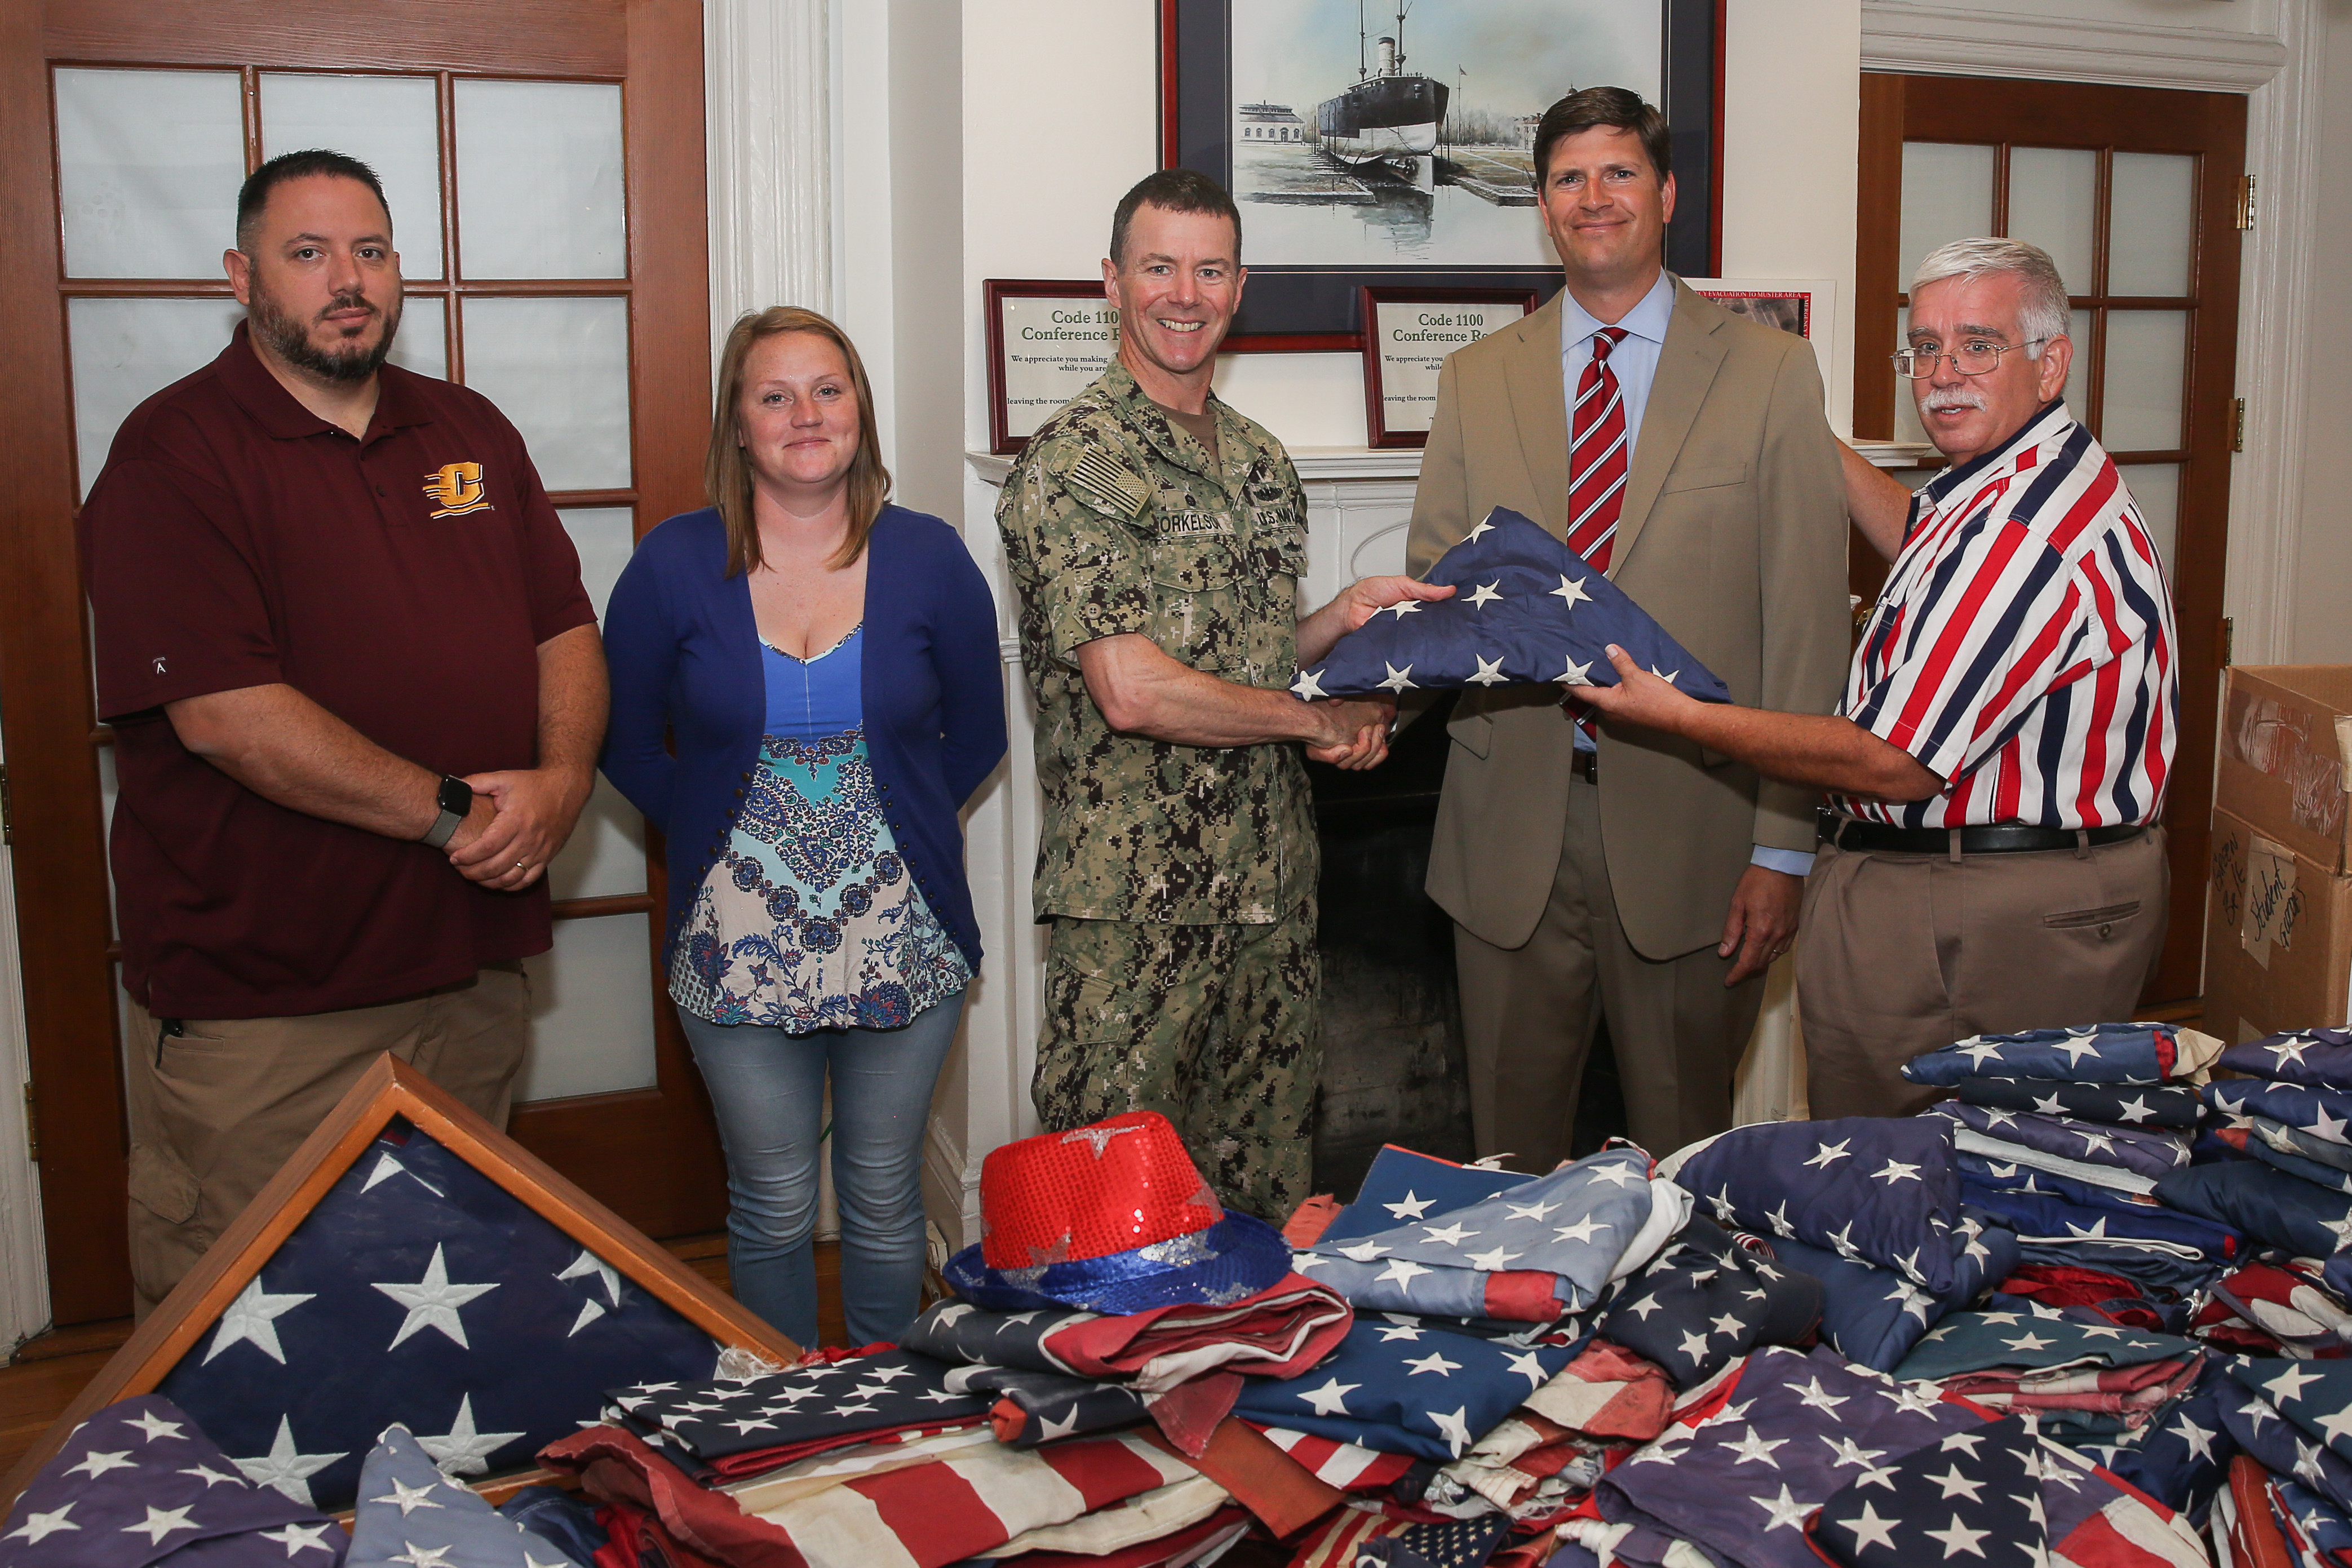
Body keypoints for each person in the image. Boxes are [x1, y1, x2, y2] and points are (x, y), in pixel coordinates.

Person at [77, 149, 606, 1314]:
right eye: (307, 253)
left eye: (369, 251)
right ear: (241, 275)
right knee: (247, 1340)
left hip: (465, 977)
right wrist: (459, 815)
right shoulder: (173, 455)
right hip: (269, 1010)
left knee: (457, 1315)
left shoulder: (467, 430)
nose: (346, 280)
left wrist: (564, 781)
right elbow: (227, 717)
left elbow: (561, 625)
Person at [1579, 236, 2178, 1118]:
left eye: (1978, 345)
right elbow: (1926, 543)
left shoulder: (2022, 537)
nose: (1942, 373)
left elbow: (1891, 758)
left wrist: (1678, 715)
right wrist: (1785, 418)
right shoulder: (2011, 476)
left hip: (1982, 920)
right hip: (1983, 894)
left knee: (1916, 1180)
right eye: (1924, 347)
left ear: (2051, 365)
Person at [1404, 87, 1850, 1171]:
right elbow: (1435, 588)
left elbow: (1801, 625)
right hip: (1508, 834)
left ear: (1665, 195)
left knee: (1686, 1167)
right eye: (1567, 178)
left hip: (1697, 842)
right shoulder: (1475, 378)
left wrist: (1782, 851)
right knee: (1508, 1171)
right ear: (1543, 207)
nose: (1592, 197)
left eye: (1618, 173)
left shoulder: (1769, 372)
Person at [994, 169, 1446, 1221]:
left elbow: (1241, 662)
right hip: (1135, 920)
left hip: (1270, 904)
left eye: (1208, 269)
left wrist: (1335, 618)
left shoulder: (1258, 462)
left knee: (1256, 1211)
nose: (1182, 294)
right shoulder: (1075, 464)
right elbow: (1135, 689)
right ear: (1112, 282)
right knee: (1106, 1223)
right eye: (1159, 267)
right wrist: (1316, 722)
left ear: (1239, 286)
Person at [601, 306, 1004, 1347]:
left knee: (880, 1201)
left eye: (828, 390)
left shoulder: (929, 557)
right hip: (733, 935)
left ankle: (884, 1412)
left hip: (901, 931)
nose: (805, 415)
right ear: (738, 424)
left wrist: (892, 827)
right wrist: (725, 830)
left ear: (860, 411)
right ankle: (784, 1412)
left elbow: (977, 733)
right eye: (774, 395)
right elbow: (628, 744)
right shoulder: (671, 565)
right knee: (774, 1201)